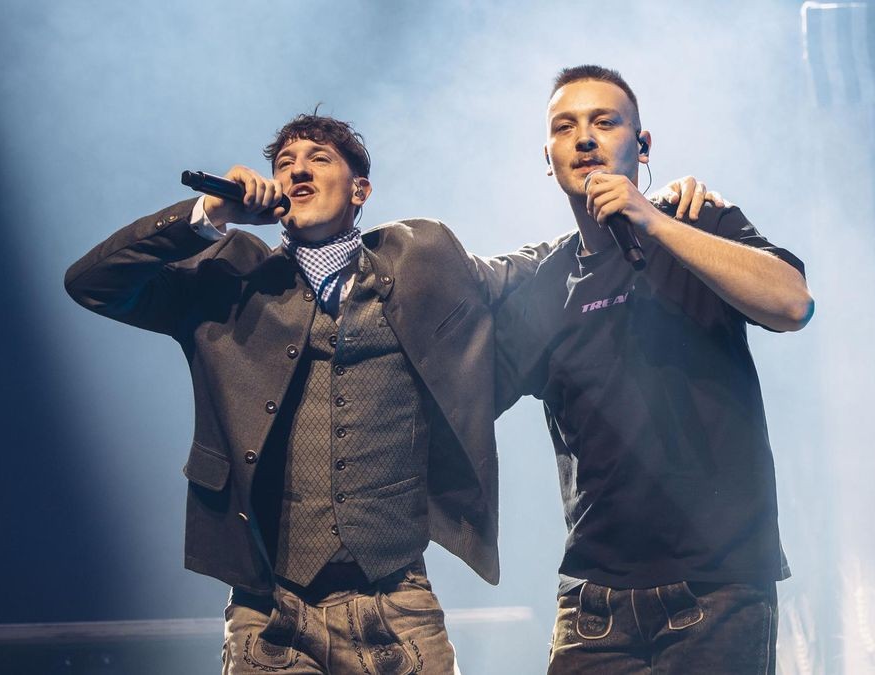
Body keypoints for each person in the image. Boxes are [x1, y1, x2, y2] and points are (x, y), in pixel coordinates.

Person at [65, 112, 714, 674]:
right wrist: (207, 216)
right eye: (285, 162)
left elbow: (534, 267)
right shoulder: (229, 276)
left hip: (395, 603)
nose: (298, 169)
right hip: (267, 610)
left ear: (361, 189)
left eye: (319, 158)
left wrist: (649, 212)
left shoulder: (420, 258)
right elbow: (92, 283)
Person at [494, 65, 814, 673]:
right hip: (592, 601)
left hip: (717, 589)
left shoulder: (699, 221)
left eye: (604, 121)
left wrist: (654, 220)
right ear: (548, 158)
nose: (584, 138)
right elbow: (470, 397)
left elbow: (793, 304)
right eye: (565, 127)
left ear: (642, 145)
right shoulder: (545, 282)